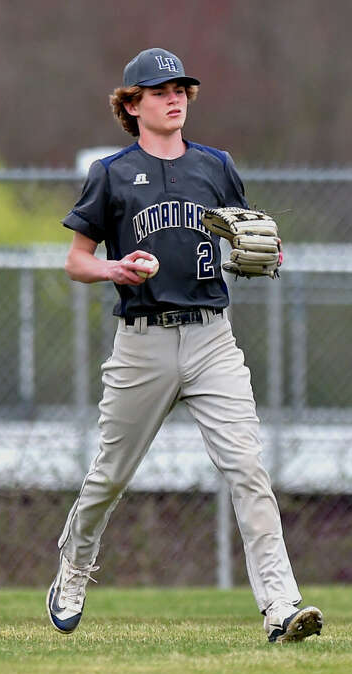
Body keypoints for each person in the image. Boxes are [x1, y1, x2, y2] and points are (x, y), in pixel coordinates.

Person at [46, 47, 323, 644]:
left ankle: (281, 605)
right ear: (132, 105)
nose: (174, 98)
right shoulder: (112, 173)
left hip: (211, 339)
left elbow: (249, 238)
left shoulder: (216, 165)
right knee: (110, 476)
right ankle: (74, 565)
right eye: (160, 91)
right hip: (142, 343)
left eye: (180, 89)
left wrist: (268, 253)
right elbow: (76, 261)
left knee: (248, 469)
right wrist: (115, 269)